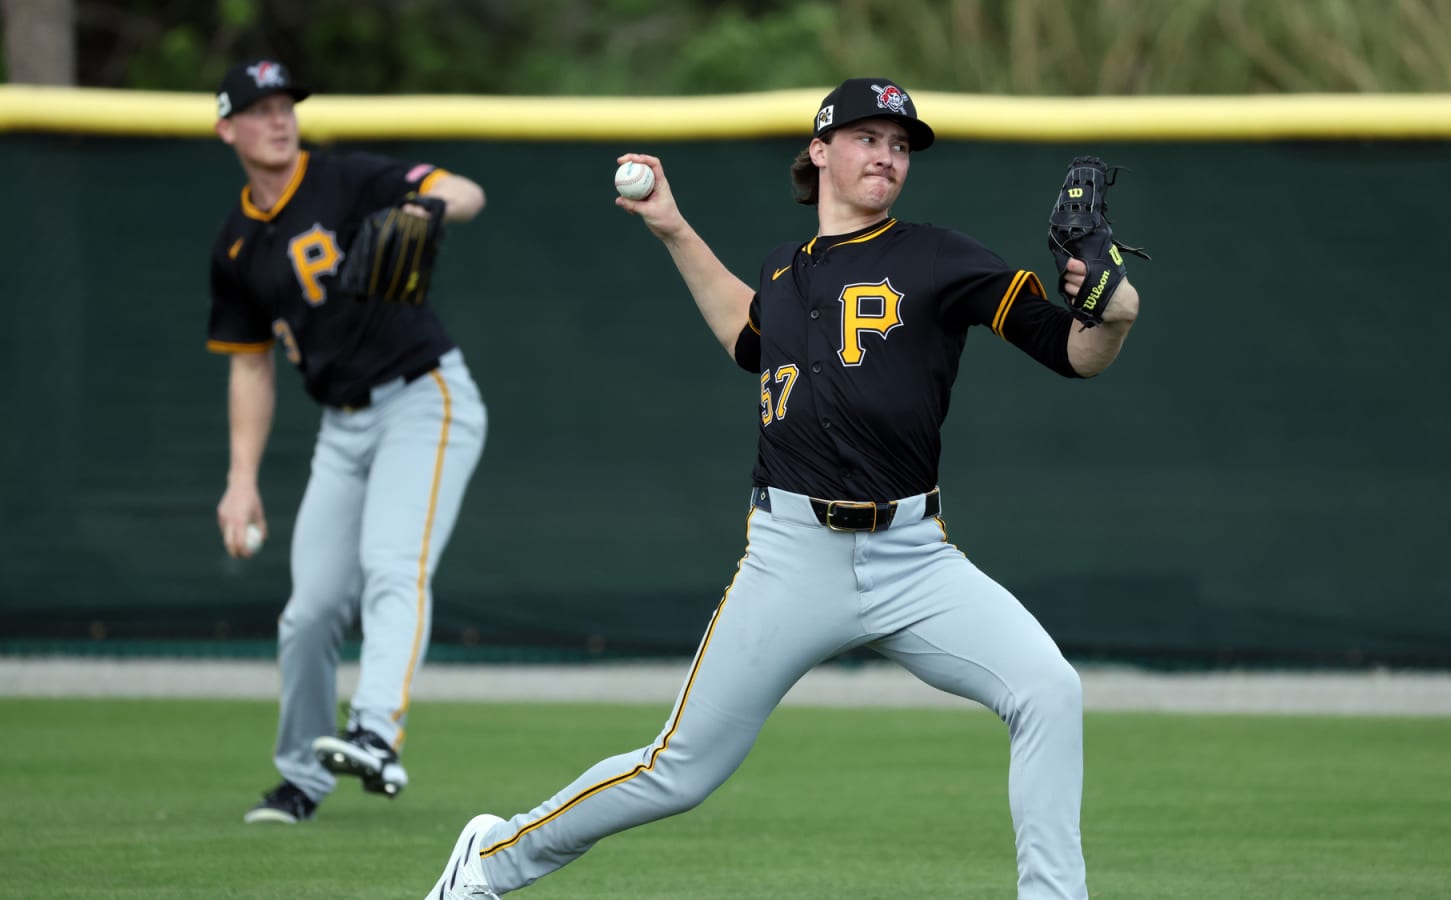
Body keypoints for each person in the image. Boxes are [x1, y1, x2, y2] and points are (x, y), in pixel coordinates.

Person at [422, 77, 1139, 899]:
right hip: (793, 556)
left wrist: (1111, 314)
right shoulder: (786, 271)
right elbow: (746, 334)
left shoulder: (940, 256)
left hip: (914, 557)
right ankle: (489, 860)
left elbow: (1073, 351)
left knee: (1048, 690)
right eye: (870, 138)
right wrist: (673, 228)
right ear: (820, 150)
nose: (888, 155)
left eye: (901, 145)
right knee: (678, 771)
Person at [205, 59, 490, 824]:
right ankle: (301, 778)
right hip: (342, 425)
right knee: (309, 612)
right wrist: (241, 479)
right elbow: (251, 370)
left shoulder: (350, 180)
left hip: (424, 399)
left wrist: (430, 209)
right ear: (226, 128)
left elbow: (468, 191)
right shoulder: (237, 246)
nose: (278, 119)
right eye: (259, 108)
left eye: (286, 105)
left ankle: (374, 733)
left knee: (392, 565)